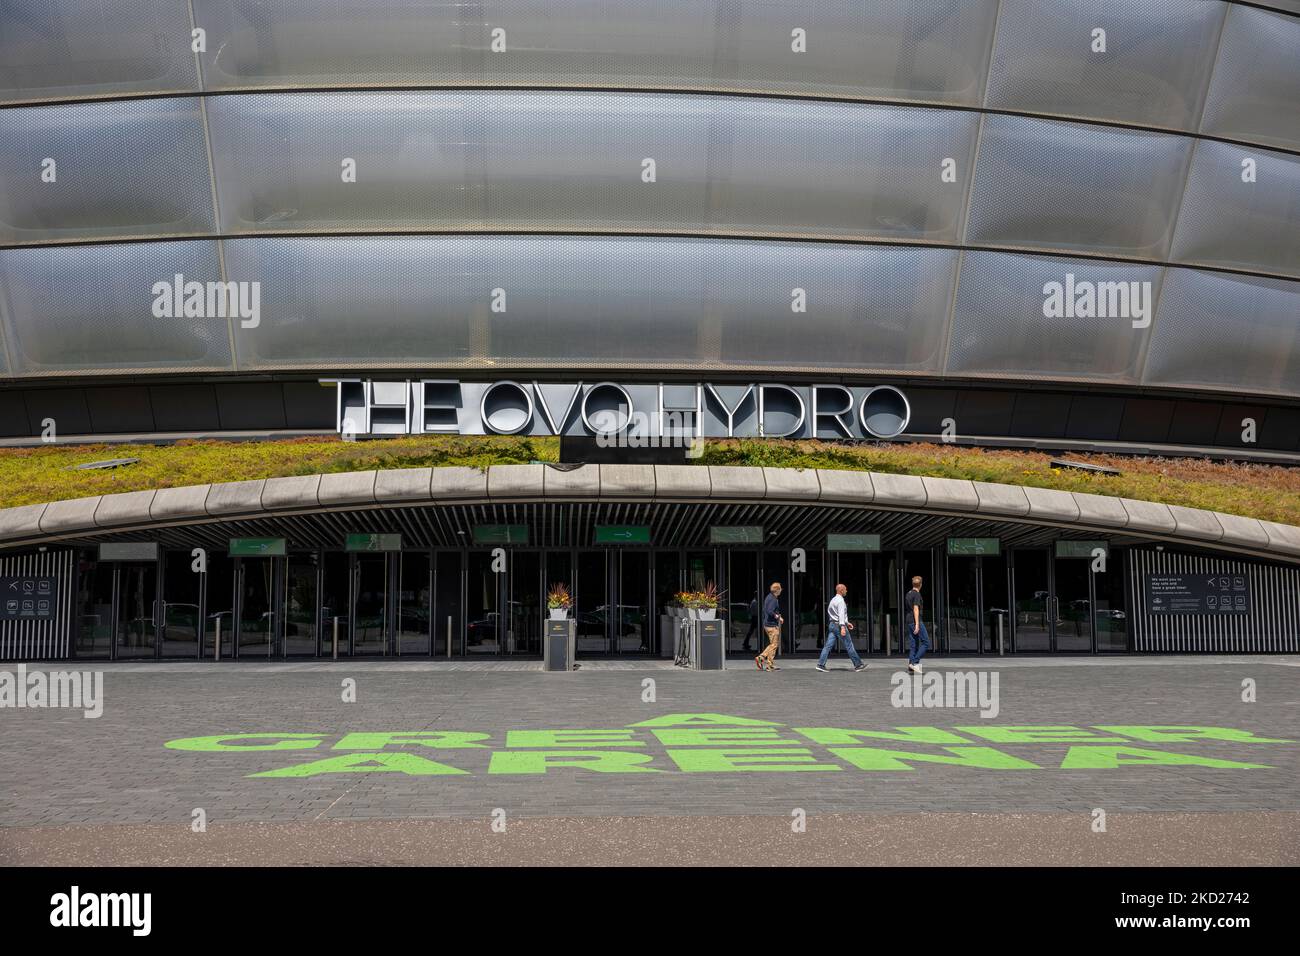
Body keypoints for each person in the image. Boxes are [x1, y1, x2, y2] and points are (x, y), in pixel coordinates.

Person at [816, 583, 866, 672]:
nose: (846, 591)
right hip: (839, 625)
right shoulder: (840, 601)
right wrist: (843, 626)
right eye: (845, 589)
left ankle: (820, 664)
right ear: (841, 590)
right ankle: (858, 665)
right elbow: (841, 614)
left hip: (832, 624)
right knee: (849, 645)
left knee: (827, 646)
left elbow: (832, 613)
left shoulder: (833, 600)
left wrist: (847, 623)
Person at [756, 582, 783, 671]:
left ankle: (769, 663)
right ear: (777, 590)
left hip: (767, 624)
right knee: (774, 645)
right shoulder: (773, 599)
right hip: (771, 625)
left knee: (773, 644)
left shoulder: (769, 597)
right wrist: (778, 617)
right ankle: (763, 658)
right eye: (780, 589)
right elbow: (770, 611)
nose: (781, 590)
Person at [905, 575, 928, 674]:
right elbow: (915, 609)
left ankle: (911, 668)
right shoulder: (917, 594)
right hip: (915, 621)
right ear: (921, 585)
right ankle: (914, 663)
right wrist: (917, 624)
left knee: (913, 644)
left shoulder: (908, 593)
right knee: (926, 642)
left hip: (908, 620)